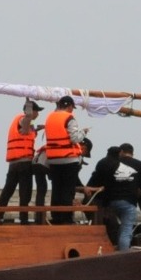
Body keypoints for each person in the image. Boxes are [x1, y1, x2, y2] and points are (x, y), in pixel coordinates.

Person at [83, 143, 141, 251]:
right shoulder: (140, 165)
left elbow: (101, 181)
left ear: (122, 152)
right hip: (128, 202)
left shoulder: (108, 164)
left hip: (111, 202)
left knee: (114, 227)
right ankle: (123, 255)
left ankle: (111, 248)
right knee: (126, 230)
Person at [0, 100, 43, 224]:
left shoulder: (16, 122)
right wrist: (28, 114)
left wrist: (39, 128)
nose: (38, 114)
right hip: (24, 163)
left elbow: (29, 130)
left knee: (8, 190)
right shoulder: (23, 119)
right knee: (25, 192)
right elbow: (26, 126)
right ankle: (24, 219)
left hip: (14, 163)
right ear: (32, 111)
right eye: (37, 111)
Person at [44, 95, 88, 224]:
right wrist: (83, 132)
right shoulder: (69, 118)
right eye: (72, 107)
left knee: (56, 189)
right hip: (68, 159)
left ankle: (56, 217)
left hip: (53, 159)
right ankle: (66, 219)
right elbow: (74, 138)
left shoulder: (49, 117)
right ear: (69, 106)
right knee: (67, 190)